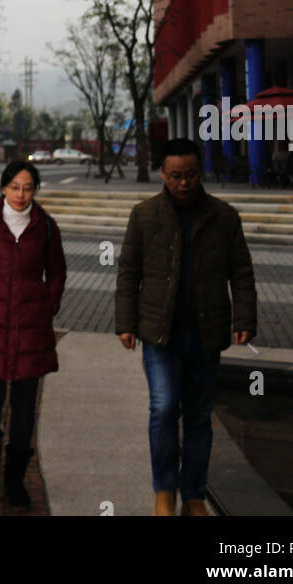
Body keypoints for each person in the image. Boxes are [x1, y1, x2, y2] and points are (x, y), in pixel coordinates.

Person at [115, 138, 257, 517]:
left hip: (206, 333)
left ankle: (193, 494)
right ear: (162, 174)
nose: (183, 183)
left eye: (190, 175)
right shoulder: (144, 216)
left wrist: (244, 319)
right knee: (163, 409)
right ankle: (164, 489)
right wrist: (125, 323)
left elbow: (241, 273)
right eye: (175, 175)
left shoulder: (224, 217)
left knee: (198, 416)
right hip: (160, 334)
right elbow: (128, 273)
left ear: (200, 172)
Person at [0, 159, 66, 508]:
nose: (21, 194)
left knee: (23, 412)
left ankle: (15, 481)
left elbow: (58, 272)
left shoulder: (46, 227)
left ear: (35, 190)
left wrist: (48, 304)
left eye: (28, 187)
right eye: (15, 187)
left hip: (31, 331)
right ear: (4, 187)